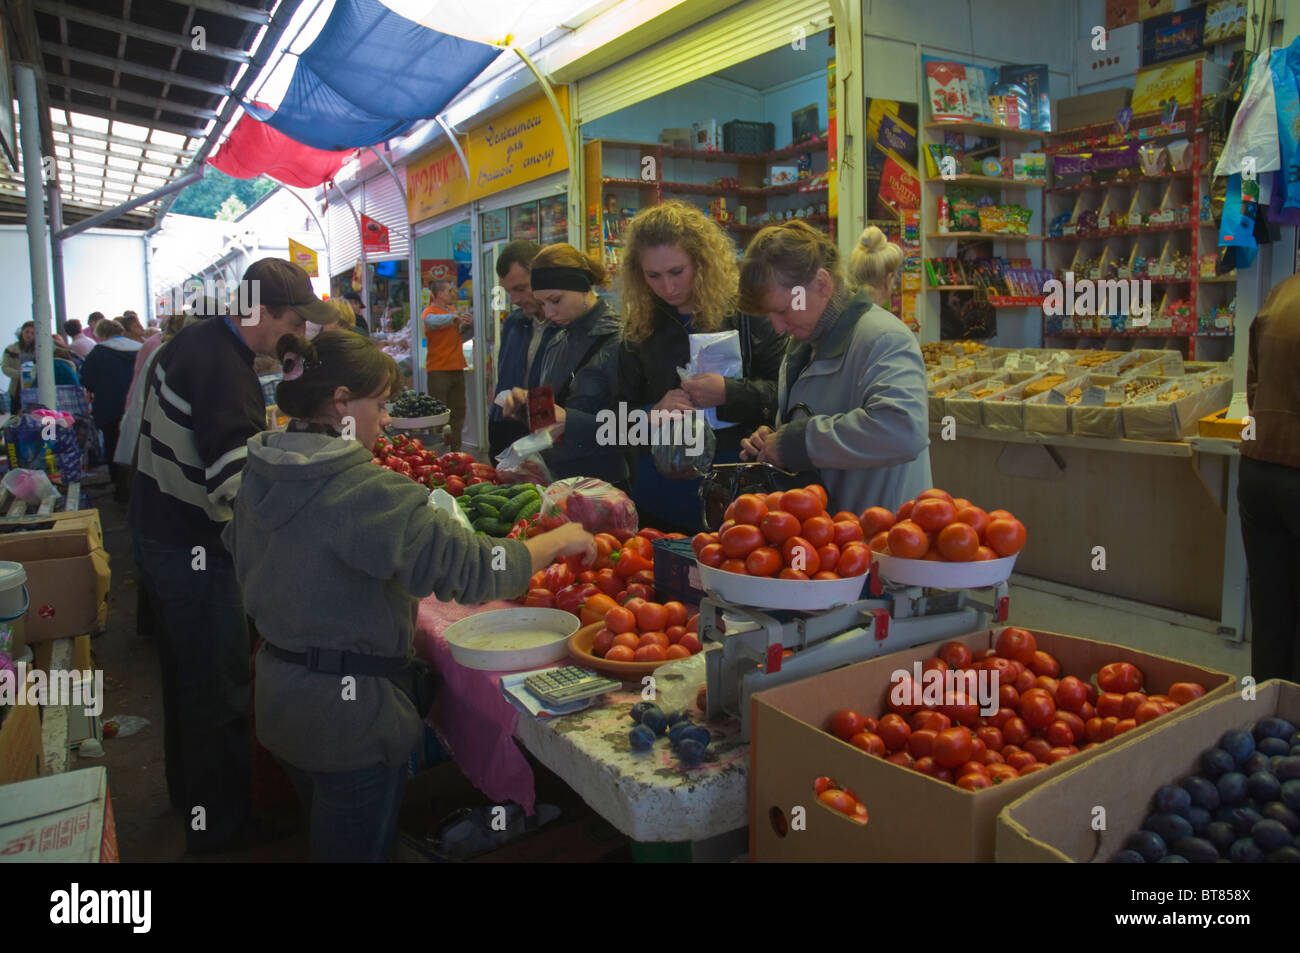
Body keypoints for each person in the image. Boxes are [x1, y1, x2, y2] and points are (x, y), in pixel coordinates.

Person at [224, 331, 594, 862]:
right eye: (379, 404)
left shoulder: (261, 468)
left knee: (328, 830)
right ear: (341, 403)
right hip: (349, 721)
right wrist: (559, 538)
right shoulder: (364, 491)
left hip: (282, 698)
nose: (388, 419)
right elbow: (472, 570)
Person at [129, 258, 338, 854]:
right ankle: (221, 832)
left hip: (159, 533)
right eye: (294, 319)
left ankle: (190, 800)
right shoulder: (223, 368)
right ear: (260, 313)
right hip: (191, 547)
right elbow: (233, 484)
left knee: (186, 682)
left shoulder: (201, 344)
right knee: (219, 692)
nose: (298, 332)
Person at [737, 221, 931, 515]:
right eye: (769, 315)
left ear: (822, 284)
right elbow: (807, 428)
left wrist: (798, 442)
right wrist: (772, 441)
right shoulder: (800, 346)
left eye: (783, 310)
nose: (777, 327)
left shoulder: (884, 338)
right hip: (826, 540)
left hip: (883, 539)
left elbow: (903, 430)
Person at [616, 201, 785, 532]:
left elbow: (786, 393)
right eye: (653, 276)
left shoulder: (748, 313)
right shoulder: (639, 326)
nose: (667, 287)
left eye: (677, 272)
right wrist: (650, 413)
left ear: (702, 261)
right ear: (639, 274)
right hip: (657, 499)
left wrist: (729, 393)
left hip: (737, 495)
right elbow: (610, 424)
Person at [499, 244, 627, 486]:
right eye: (542, 303)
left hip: (606, 486)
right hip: (557, 479)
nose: (548, 312)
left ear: (581, 287)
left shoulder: (621, 342)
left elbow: (640, 428)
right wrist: (526, 406)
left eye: (555, 300)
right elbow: (553, 418)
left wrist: (571, 421)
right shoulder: (557, 340)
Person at [1238, 272, 1300, 683]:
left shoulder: (1284, 291)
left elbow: (1254, 382)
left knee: (1271, 613)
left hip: (1260, 470)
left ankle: (1268, 725)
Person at [490, 240, 560, 460]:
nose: (515, 300)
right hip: (507, 434)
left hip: (550, 440)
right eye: (509, 291)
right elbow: (505, 381)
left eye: (521, 288)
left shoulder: (566, 327)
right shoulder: (514, 323)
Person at [79, 319, 142, 500]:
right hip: (137, 404)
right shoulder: (139, 347)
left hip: (110, 406)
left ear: (100, 334)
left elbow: (87, 379)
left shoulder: (99, 352)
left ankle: (120, 488)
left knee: (113, 445)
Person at [421, 279, 472, 451]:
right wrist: (453, 317)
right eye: (450, 290)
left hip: (456, 367)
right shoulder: (429, 312)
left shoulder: (451, 311)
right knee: (439, 414)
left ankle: (456, 450)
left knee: (458, 412)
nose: (453, 293)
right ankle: (439, 450)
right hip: (438, 370)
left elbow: (458, 337)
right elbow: (431, 322)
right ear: (440, 294)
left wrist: (466, 326)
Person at [2, 321, 80, 412]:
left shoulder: (41, 347)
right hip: (16, 387)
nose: (29, 335)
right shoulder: (10, 349)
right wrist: (20, 374)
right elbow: (5, 367)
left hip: (38, 384)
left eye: (33, 333)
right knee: (16, 411)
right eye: (27, 332)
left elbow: (62, 350)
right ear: (22, 331)